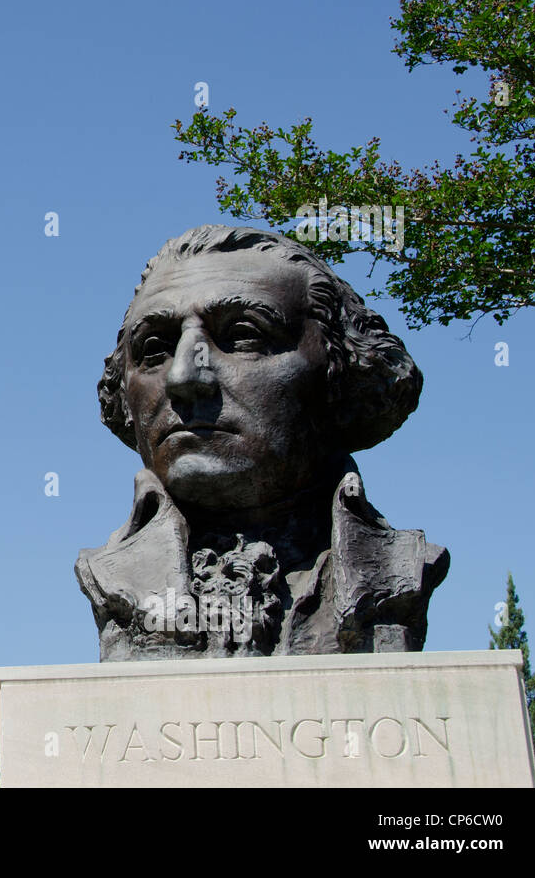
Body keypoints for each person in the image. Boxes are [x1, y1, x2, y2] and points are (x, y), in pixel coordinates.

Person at [76, 224, 448, 660]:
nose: (183, 378)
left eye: (243, 336)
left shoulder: (400, 571)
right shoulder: (108, 579)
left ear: (340, 373)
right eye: (155, 348)